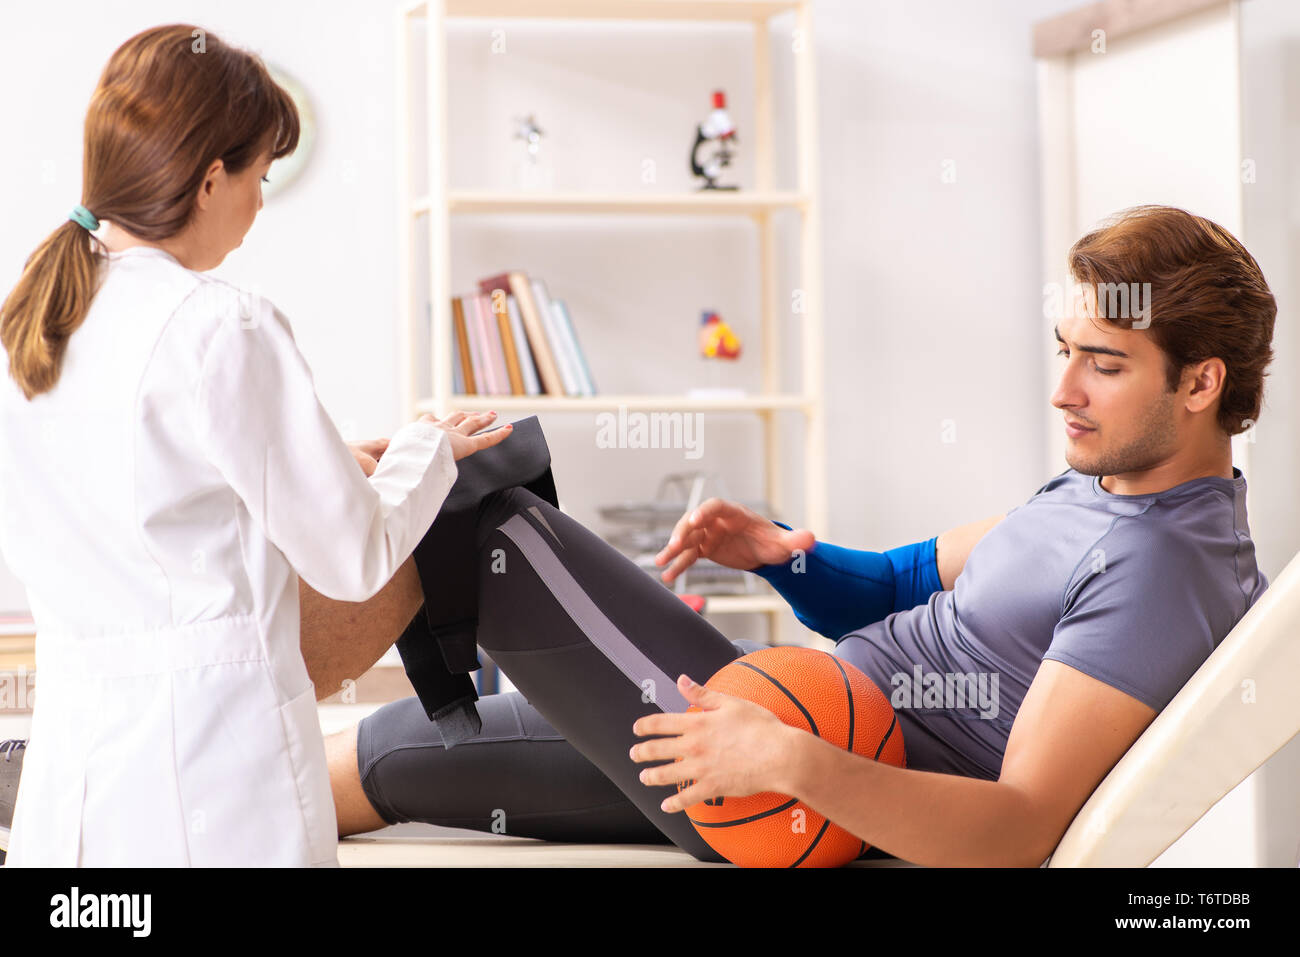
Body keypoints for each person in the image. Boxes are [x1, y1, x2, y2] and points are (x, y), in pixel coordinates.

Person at [318, 204, 1274, 867]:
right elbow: (908, 579)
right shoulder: (1104, 481)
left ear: (1201, 384)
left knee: (494, 520)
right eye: (1064, 352)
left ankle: (248, 650)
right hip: (778, 716)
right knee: (394, 751)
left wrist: (786, 762)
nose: (1063, 389)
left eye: (1102, 364)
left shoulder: (1161, 567)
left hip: (792, 792)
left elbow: (1020, 828)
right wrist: (792, 556)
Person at [0, 24, 509, 867]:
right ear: (209, 180)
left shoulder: (30, 331)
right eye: (259, 175)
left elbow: (145, 497)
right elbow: (355, 556)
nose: (261, 202)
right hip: (216, 789)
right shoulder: (220, 327)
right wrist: (431, 448)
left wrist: (322, 460)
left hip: (75, 795)